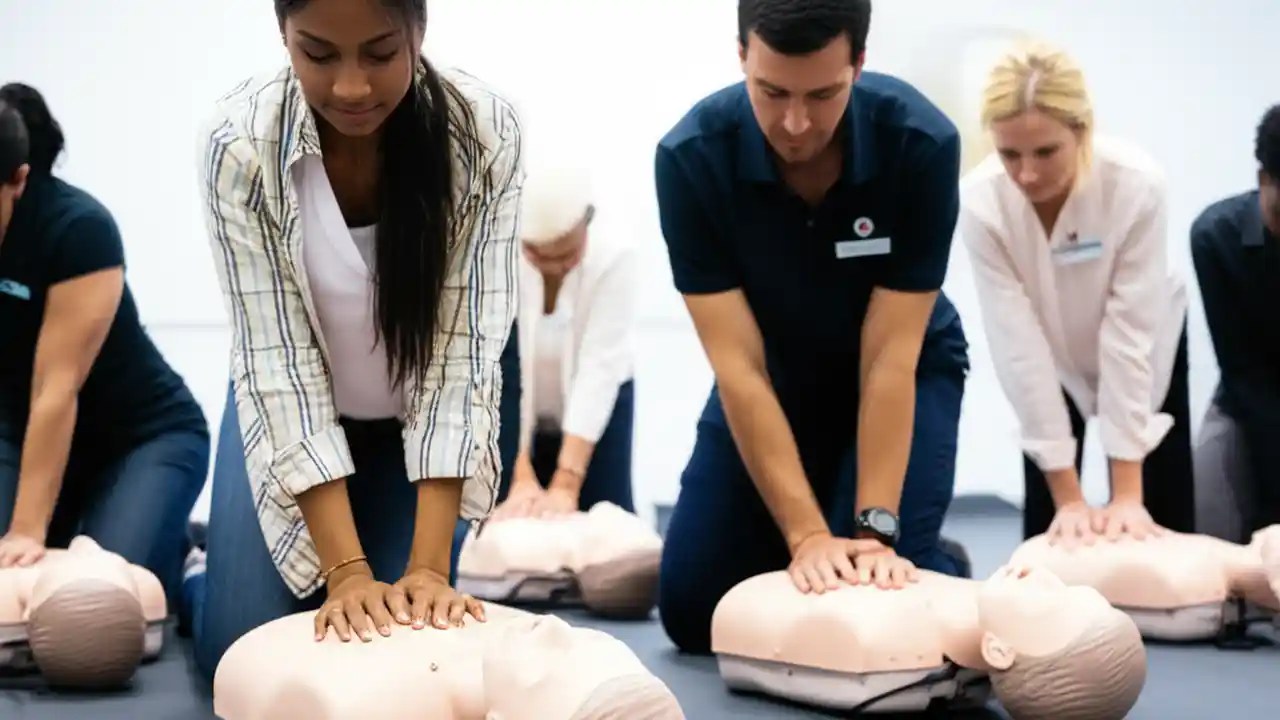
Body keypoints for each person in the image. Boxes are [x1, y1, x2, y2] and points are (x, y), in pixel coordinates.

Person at [184, 0, 522, 683]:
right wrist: (345, 572)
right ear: (283, 35)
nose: (350, 87)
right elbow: (277, 366)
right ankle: (205, 572)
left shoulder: (482, 130)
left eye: (379, 53)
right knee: (240, 649)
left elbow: (460, 361)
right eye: (317, 54)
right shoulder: (240, 140)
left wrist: (427, 570)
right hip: (290, 402)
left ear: (419, 34)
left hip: (414, 428)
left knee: (405, 636)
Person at [653, 0, 972, 655]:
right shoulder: (690, 158)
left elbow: (890, 358)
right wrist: (804, 536)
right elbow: (738, 368)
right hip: (773, 377)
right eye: (771, 92)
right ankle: (817, 513)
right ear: (741, 55)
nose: (795, 124)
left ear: (859, 63)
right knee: (692, 612)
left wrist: (875, 531)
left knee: (871, 585)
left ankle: (925, 546)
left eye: (823, 94)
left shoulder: (922, 144)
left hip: (900, 371)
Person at [958, 42, 1195, 546]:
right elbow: (1018, 346)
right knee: (1054, 528)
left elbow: (1129, 334)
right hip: (1046, 352)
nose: (1026, 173)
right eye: (1009, 154)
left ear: (1082, 130)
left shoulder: (1136, 186)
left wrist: (1127, 496)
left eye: (1046, 151)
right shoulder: (983, 205)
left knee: (1158, 518)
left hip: (1145, 344)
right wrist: (1069, 499)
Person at [0, 85, 209, 606]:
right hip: (19, 432)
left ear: (18, 182)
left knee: (102, 600)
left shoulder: (79, 229)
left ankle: (190, 560)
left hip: (142, 439)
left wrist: (26, 531)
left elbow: (57, 386)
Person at [491, 162, 638, 519]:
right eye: (539, 257)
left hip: (599, 405)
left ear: (586, 223)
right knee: (510, 516)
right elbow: (500, 370)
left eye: (567, 256)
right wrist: (519, 472)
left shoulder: (615, 254)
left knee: (604, 518)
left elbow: (598, 368)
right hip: (510, 411)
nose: (554, 268)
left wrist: (567, 483)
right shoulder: (497, 251)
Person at [1190, 103, 1280, 541]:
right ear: (1264, 180)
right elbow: (1243, 371)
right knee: (1210, 499)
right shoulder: (1214, 236)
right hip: (1248, 399)